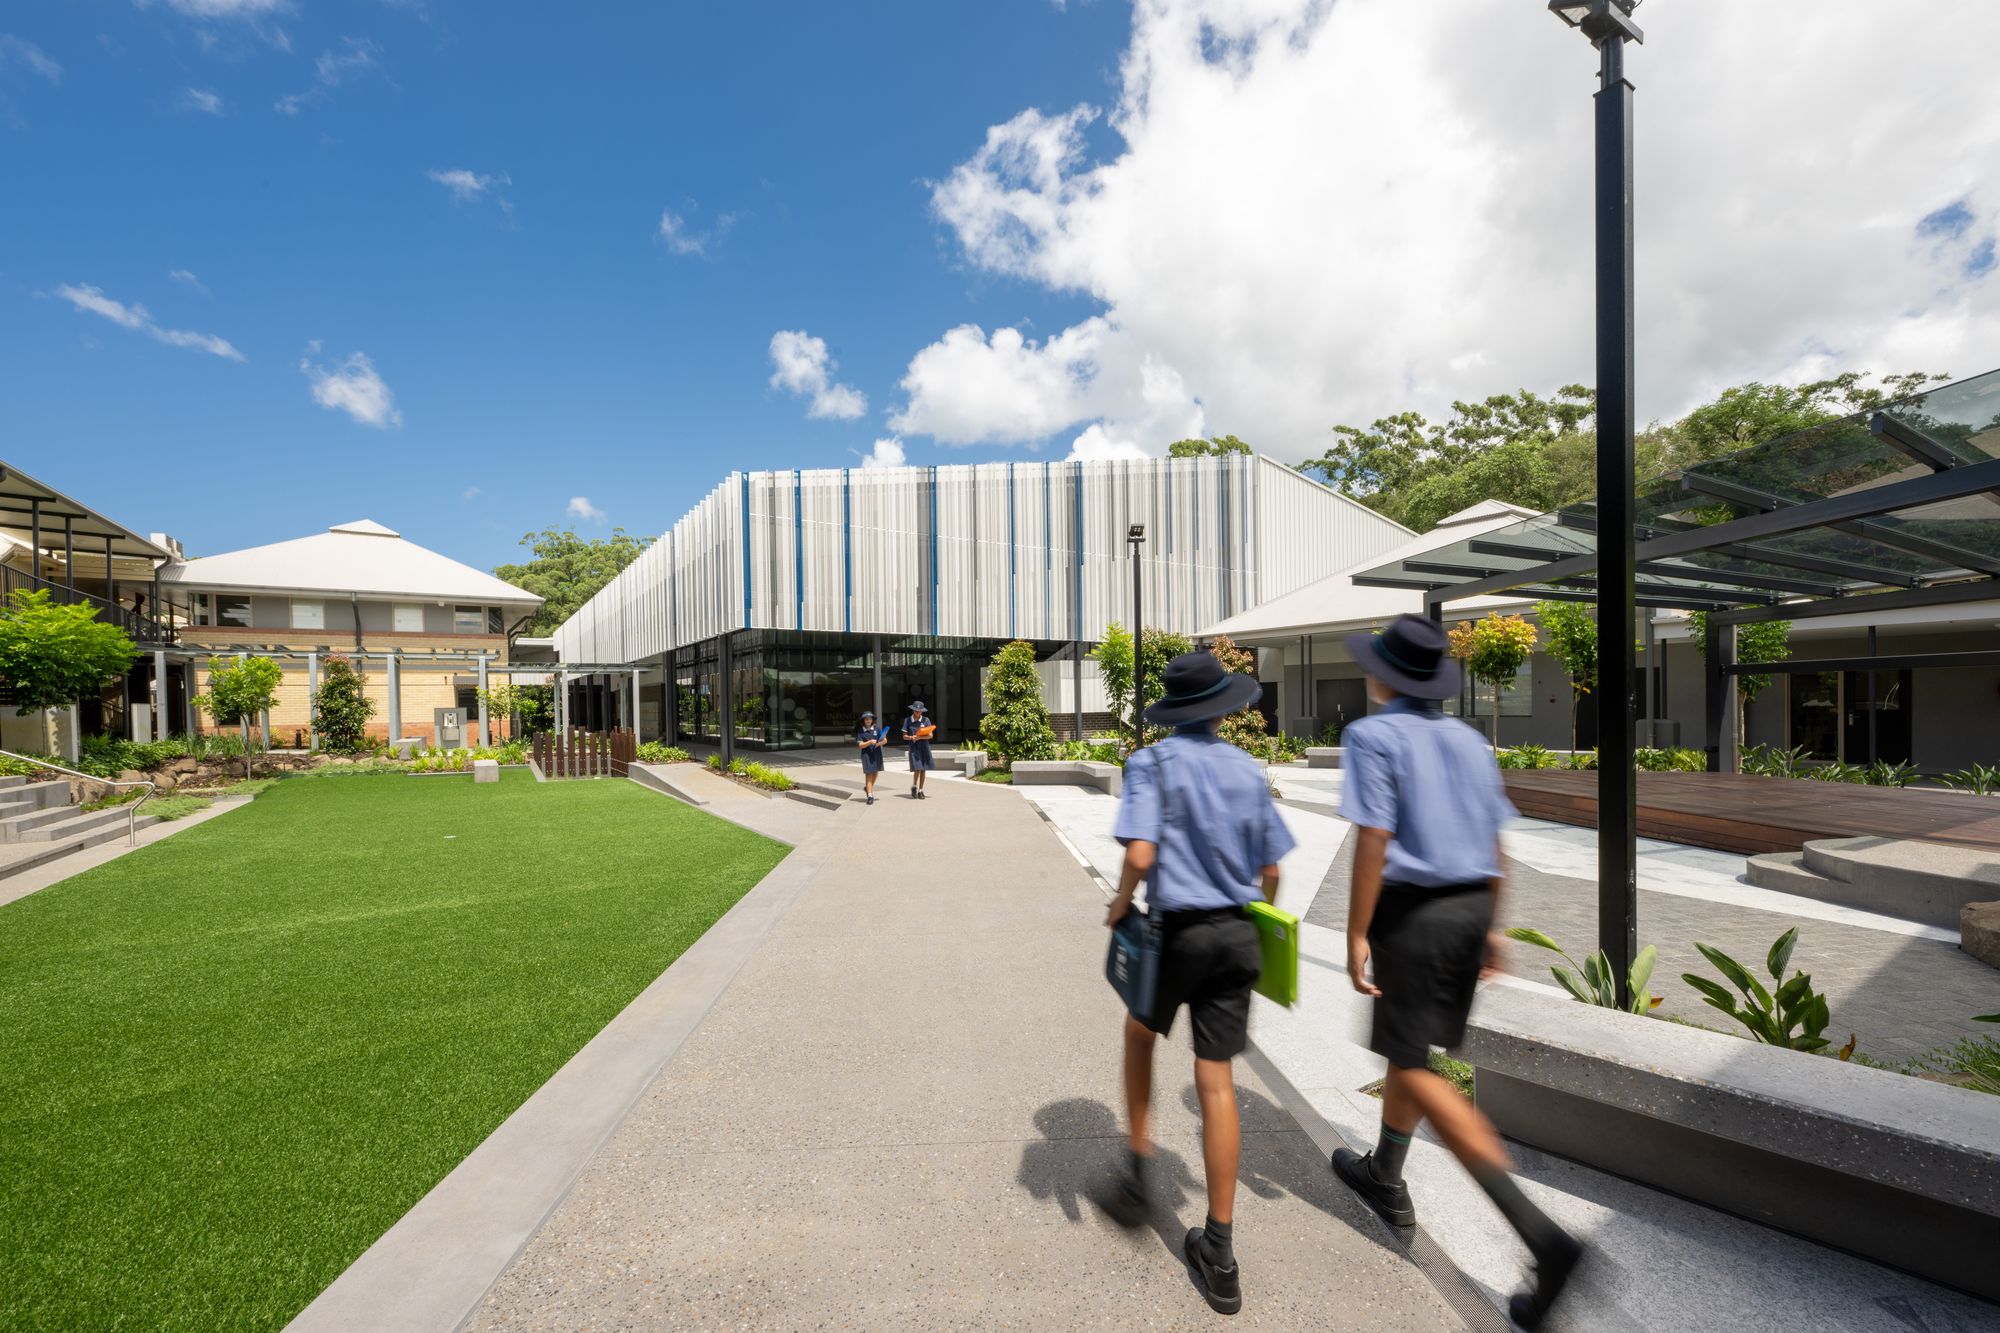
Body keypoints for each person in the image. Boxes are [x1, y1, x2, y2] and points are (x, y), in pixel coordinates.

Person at [1330, 614, 1583, 1329]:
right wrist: (1493, 925)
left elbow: (1374, 837)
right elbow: (1497, 842)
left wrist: (1355, 929)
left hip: (1413, 915)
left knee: (1411, 1068)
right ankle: (1386, 1171)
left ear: (1386, 678)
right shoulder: (1470, 741)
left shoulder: (1373, 736)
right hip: (1471, 906)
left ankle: (1543, 1236)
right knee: (1412, 1051)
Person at [1100, 650, 1295, 1316]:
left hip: (1178, 933)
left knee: (1138, 1031)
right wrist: (1258, 910)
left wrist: (1121, 901)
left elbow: (1140, 853)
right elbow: (1271, 870)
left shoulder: (1150, 763)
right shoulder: (1248, 768)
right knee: (1217, 1082)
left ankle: (1136, 1164)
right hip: (1238, 935)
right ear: (1221, 707)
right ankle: (1221, 1250)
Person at [901, 700, 936, 799]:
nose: (918, 713)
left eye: (920, 711)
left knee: (923, 769)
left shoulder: (926, 720)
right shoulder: (907, 720)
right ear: (913, 710)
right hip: (914, 747)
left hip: (924, 747)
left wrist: (920, 737)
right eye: (916, 711)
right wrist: (911, 737)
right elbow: (904, 736)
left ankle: (921, 790)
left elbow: (930, 736)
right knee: (917, 768)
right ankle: (914, 786)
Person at [856, 709, 886, 805]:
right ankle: (870, 795)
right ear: (863, 721)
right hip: (866, 755)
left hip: (877, 753)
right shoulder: (861, 731)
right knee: (869, 773)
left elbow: (885, 740)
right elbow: (860, 745)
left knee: (876, 773)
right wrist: (869, 742)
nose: (868, 721)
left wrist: (879, 743)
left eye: (870, 719)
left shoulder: (877, 729)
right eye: (866, 719)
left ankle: (868, 788)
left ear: (872, 720)